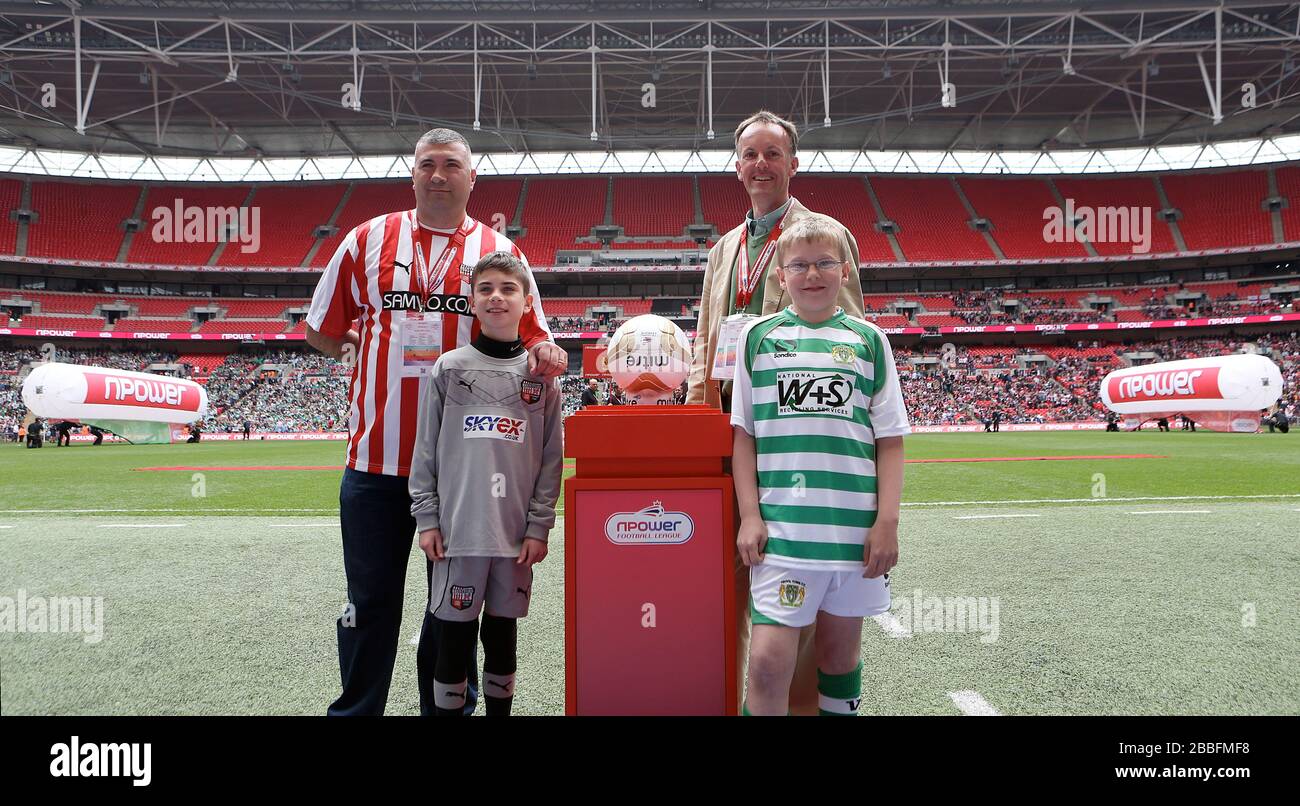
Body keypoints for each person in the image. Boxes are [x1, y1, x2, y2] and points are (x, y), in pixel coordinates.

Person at [304, 127, 567, 717]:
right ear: (413, 173)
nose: (439, 174)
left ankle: (444, 710)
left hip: (462, 476)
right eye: (428, 164)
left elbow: (537, 338)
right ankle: (357, 710)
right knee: (370, 603)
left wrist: (550, 354)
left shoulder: (501, 252)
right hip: (374, 462)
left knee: (448, 607)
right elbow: (319, 327)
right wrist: (364, 346)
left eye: (452, 165)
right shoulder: (367, 238)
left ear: (472, 179)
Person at [686, 110, 866, 715]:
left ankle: (800, 708)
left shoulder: (825, 234)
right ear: (737, 166)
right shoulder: (723, 250)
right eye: (750, 154)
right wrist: (695, 414)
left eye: (773, 153)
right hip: (726, 437)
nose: (761, 164)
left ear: (793, 163)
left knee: (800, 595)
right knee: (731, 583)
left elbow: (847, 337)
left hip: (793, 440)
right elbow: (707, 338)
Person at [730, 217, 909, 715]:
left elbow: (890, 440)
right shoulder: (758, 338)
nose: (813, 274)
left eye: (825, 263)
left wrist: (887, 524)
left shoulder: (870, 341)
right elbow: (743, 435)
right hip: (784, 534)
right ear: (781, 277)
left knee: (838, 654)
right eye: (800, 265)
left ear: (845, 271)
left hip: (855, 535)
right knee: (767, 662)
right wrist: (750, 515)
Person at [409, 251, 563, 716]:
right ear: (472, 300)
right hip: (457, 534)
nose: (497, 297)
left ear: (526, 301)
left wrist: (539, 527)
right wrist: (427, 517)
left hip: (515, 537)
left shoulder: (543, 378)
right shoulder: (448, 368)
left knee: (502, 637)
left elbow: (551, 461)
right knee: (452, 641)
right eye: (486, 289)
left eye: (508, 289)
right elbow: (426, 451)